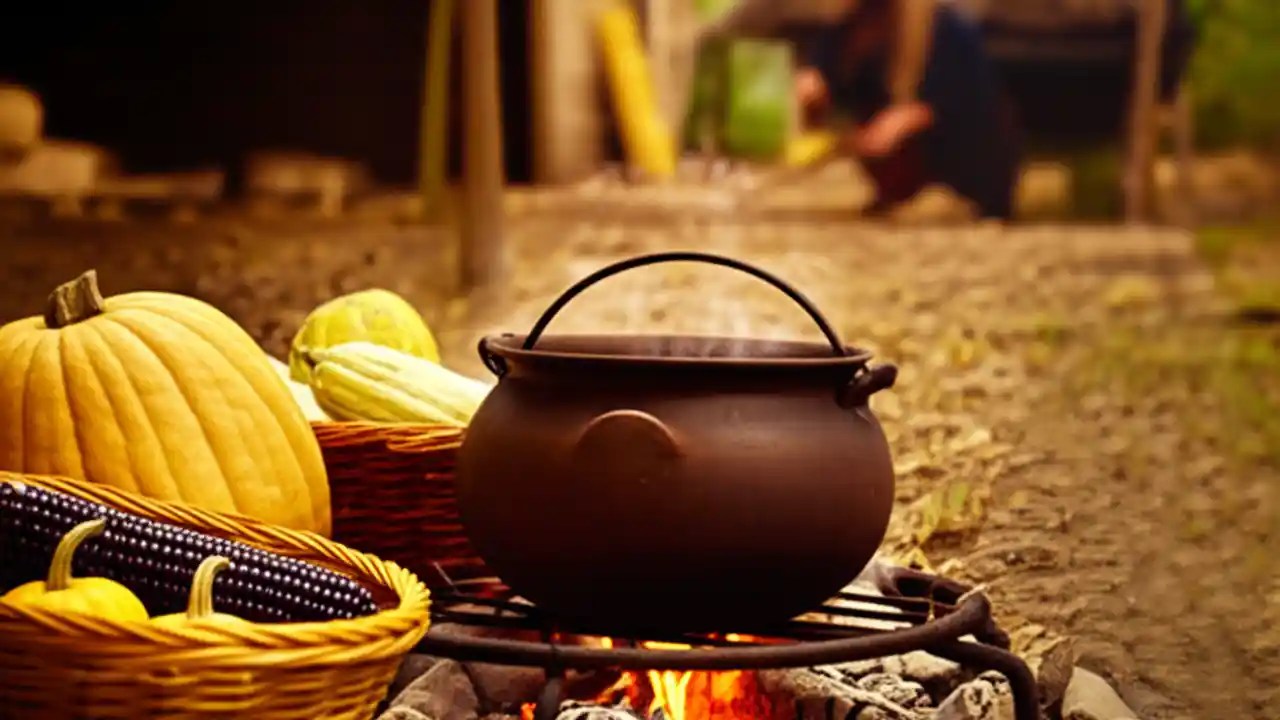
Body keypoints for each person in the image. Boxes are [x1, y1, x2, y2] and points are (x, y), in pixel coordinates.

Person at [702, 0, 1023, 221]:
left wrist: (908, 118)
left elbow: (966, 104)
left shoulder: (947, 29)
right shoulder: (853, 25)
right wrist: (814, 83)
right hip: (894, 192)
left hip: (959, 184)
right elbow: (826, 73)